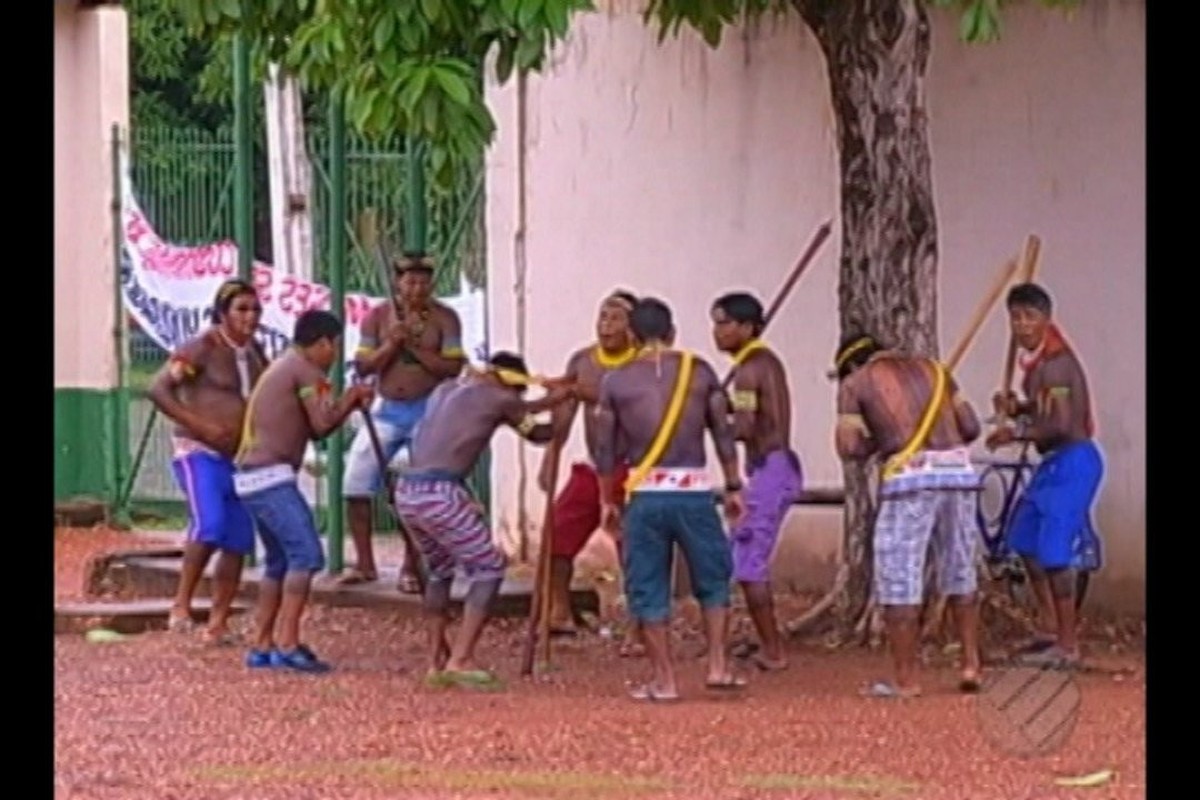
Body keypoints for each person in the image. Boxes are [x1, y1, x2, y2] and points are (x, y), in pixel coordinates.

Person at [593, 297, 746, 702]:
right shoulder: (700, 372)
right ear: (673, 332)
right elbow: (723, 434)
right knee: (713, 579)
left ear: (631, 335)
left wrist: (607, 501)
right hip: (694, 492)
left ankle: (665, 681)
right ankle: (718, 666)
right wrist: (734, 486)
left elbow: (604, 450)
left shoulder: (616, 382)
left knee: (647, 585)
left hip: (646, 496)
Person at [392, 352, 575, 686]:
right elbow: (540, 433)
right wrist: (564, 405)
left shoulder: (447, 389)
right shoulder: (501, 397)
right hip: (439, 494)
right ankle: (460, 660)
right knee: (489, 568)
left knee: (440, 571)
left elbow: (521, 415)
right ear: (512, 382)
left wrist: (548, 401)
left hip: (408, 490)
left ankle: (436, 660)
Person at [832, 332, 983, 699]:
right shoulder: (937, 371)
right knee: (960, 569)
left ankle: (906, 679)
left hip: (910, 479)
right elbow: (971, 427)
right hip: (960, 474)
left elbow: (848, 446)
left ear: (850, 365)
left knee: (899, 575)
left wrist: (880, 440)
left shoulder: (856, 383)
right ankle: (970, 664)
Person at [235, 309, 375, 673]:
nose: (335, 356)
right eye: (335, 347)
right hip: (270, 477)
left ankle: (262, 644)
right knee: (307, 555)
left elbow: (313, 428)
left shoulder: (286, 365)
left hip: (253, 476)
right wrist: (352, 398)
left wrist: (346, 401)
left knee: (279, 561)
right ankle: (287, 642)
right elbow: (323, 423)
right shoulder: (307, 371)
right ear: (323, 343)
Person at [986, 282, 1103, 670]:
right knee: (1024, 538)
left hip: (1074, 462)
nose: (1022, 325)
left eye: (1030, 317)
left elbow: (1061, 424)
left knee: (1053, 551)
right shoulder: (1039, 366)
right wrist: (1018, 408)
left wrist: (1015, 432)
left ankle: (1068, 646)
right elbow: (1045, 409)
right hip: (1053, 465)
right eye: (1016, 317)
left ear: (1046, 319)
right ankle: (1049, 628)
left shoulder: (1056, 365)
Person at [147, 279, 268, 645]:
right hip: (198, 450)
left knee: (238, 539)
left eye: (255, 309)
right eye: (241, 309)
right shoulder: (202, 348)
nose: (250, 317)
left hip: (241, 458)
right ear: (222, 313)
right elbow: (158, 388)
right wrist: (201, 426)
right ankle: (181, 604)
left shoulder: (256, 351)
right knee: (210, 523)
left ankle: (218, 623)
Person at [340, 253, 467, 592]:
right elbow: (364, 366)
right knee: (355, 483)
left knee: (417, 492)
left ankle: (412, 566)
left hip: (429, 412)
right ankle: (364, 563)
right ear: (398, 283)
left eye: (424, 281)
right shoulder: (377, 317)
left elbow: (453, 367)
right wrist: (391, 344)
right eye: (410, 281)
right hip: (387, 410)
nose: (417, 288)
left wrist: (416, 349)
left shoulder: (445, 318)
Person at [537, 290, 645, 650]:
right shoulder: (582, 360)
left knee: (635, 548)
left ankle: (639, 626)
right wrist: (551, 454)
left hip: (633, 469)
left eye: (615, 318)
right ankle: (559, 611)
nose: (606, 325)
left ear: (632, 327)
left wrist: (591, 393)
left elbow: (637, 407)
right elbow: (565, 410)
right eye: (602, 316)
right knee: (556, 533)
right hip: (593, 466)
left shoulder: (643, 364)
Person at [710, 292, 803, 671]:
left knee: (749, 564)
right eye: (715, 323)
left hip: (770, 470)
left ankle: (773, 652)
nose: (717, 332)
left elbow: (746, 427)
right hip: (772, 468)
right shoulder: (763, 363)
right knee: (742, 557)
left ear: (747, 327)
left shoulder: (749, 369)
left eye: (724, 324)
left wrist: (712, 422)